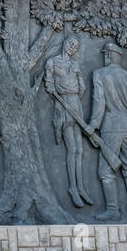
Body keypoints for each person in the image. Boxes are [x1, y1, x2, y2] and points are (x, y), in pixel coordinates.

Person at [88, 43, 127, 221]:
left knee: (106, 171)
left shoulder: (100, 74)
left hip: (111, 128)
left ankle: (113, 210)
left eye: (106, 54)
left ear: (111, 55)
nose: (104, 57)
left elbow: (99, 102)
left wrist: (93, 125)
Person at [44, 36, 93, 208]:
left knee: (80, 149)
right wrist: (56, 90)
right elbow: (49, 84)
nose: (73, 47)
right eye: (71, 44)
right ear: (65, 44)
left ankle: (81, 187)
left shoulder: (75, 64)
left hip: (75, 104)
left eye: (76, 46)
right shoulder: (53, 62)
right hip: (62, 105)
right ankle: (72, 187)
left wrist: (76, 92)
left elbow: (82, 87)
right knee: (72, 149)